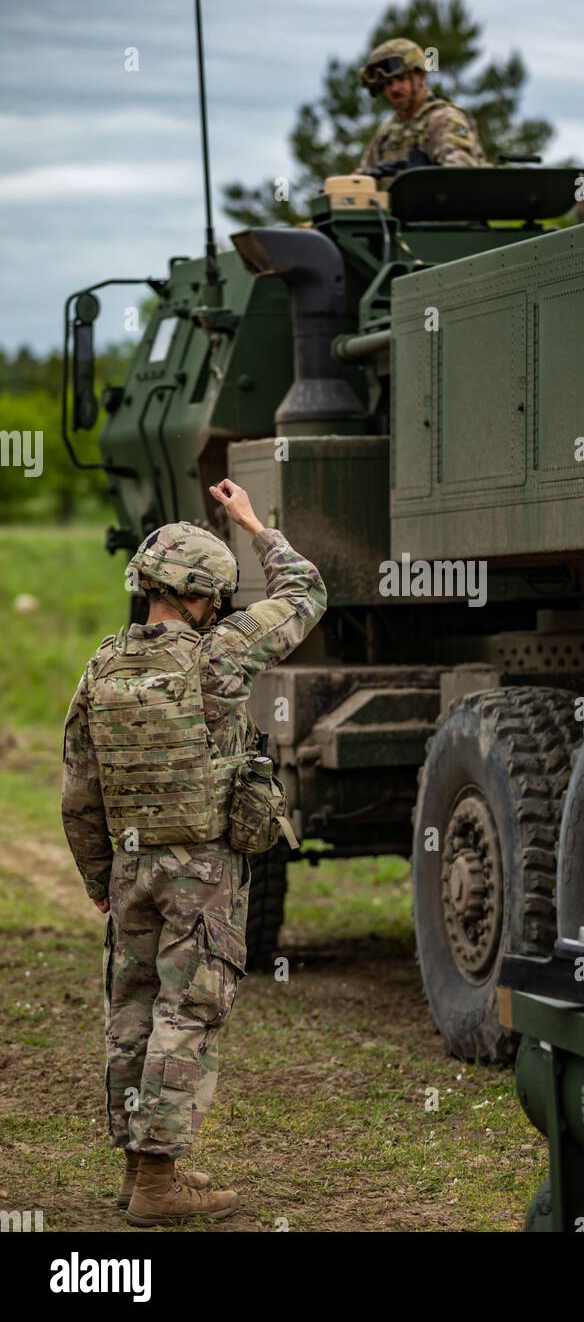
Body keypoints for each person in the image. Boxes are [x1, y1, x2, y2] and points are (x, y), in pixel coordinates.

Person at [60, 479, 326, 1226]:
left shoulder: (100, 669)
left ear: (147, 586)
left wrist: (97, 880)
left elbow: (78, 791)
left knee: (132, 1011)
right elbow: (307, 591)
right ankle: (156, 1185)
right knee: (189, 1012)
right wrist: (252, 524)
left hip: (131, 867)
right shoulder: (220, 657)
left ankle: (138, 1168)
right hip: (201, 873)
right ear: (204, 594)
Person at [358, 37, 486, 180]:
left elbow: (460, 174)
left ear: (421, 76)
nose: (395, 88)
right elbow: (363, 177)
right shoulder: (388, 132)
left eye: (401, 79)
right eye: (387, 84)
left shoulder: (443, 119)